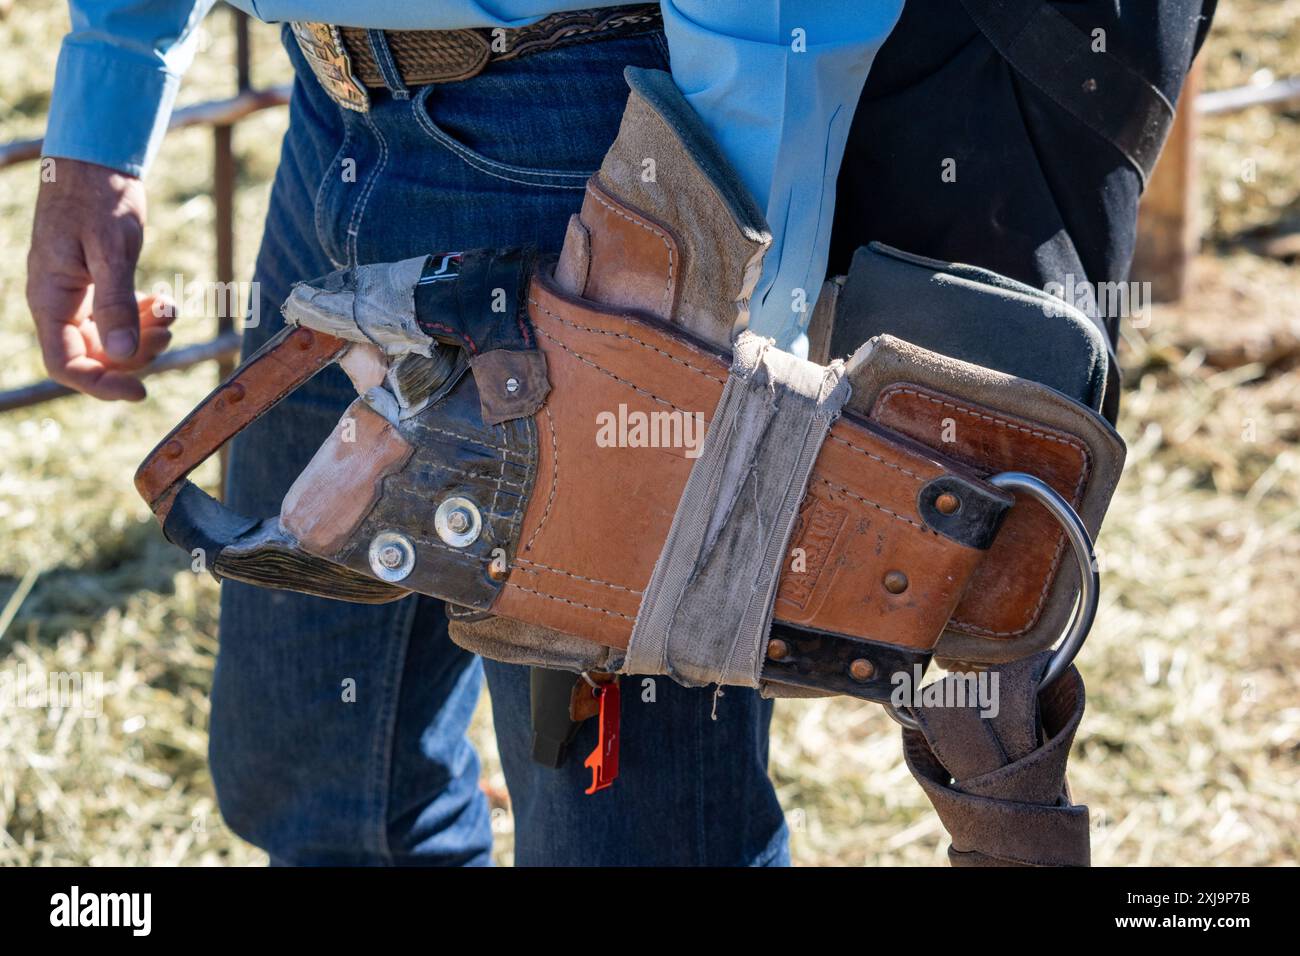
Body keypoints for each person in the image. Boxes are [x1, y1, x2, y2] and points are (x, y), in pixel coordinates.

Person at [26, 0, 1214, 865]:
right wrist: (103, 102)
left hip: (608, 145)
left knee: (634, 835)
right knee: (313, 777)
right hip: (337, 118)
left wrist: (704, 248)